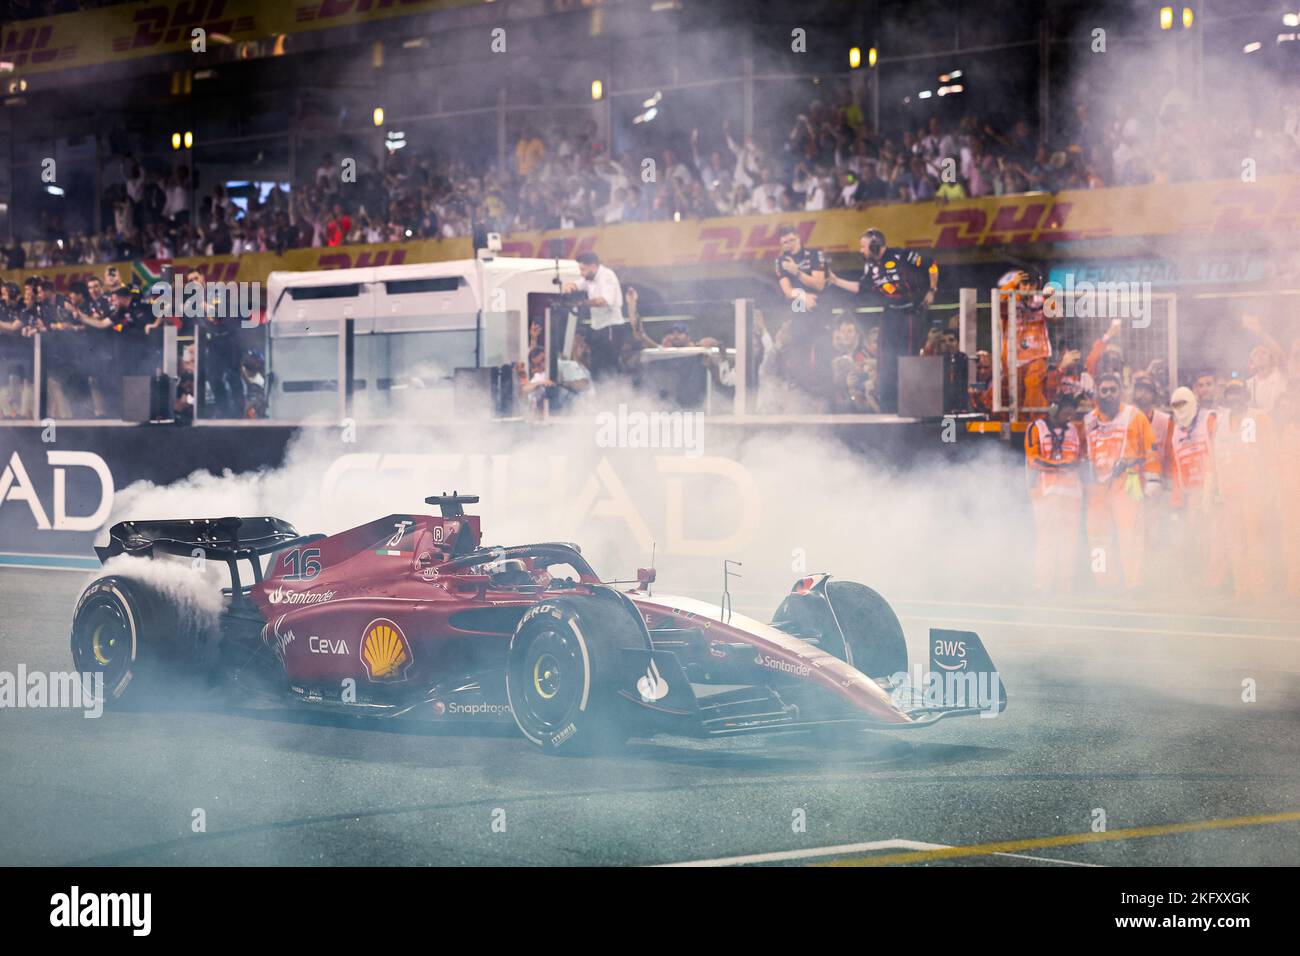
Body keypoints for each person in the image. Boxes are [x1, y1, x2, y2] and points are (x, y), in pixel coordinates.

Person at [827, 228, 938, 413]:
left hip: (911, 313)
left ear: (875, 244)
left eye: (863, 246)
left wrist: (932, 290)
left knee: (908, 358)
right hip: (890, 313)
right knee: (885, 359)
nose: (861, 250)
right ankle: (888, 407)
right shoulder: (871, 267)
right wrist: (836, 280)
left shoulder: (902, 255)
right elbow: (861, 287)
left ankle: (910, 406)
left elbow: (932, 264)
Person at [1083, 371, 1159, 590]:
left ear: (1121, 392)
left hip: (1127, 484)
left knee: (1131, 538)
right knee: (1097, 541)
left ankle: (1134, 584)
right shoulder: (1089, 420)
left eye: (1113, 390)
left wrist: (1153, 480)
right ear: (1097, 392)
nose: (1108, 394)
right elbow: (1082, 452)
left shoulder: (1134, 416)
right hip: (1097, 488)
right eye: (1103, 390)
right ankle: (1104, 583)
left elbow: (1150, 448)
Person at [1025, 391, 1084, 593]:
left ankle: (1066, 586)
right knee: (1047, 541)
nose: (1069, 418)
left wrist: (1069, 466)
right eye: (1065, 413)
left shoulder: (1074, 430)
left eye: (1071, 414)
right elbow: (1034, 460)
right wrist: (1063, 466)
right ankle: (1044, 586)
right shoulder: (1036, 428)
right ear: (1054, 409)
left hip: (1071, 495)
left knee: (1070, 543)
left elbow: (1079, 459)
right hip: (1045, 495)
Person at [1166, 386, 1221, 589]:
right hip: (1192, 493)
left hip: (1213, 489)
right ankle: (1201, 582)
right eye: (1175, 405)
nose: (1180, 408)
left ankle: (1215, 583)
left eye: (1183, 403)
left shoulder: (1209, 420)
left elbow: (1218, 452)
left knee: (1216, 539)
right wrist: (1177, 498)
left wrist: (1214, 488)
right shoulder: (1175, 431)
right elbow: (1175, 466)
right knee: (1198, 539)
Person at [772, 223, 831, 400]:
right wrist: (802, 296)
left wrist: (797, 272)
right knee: (798, 351)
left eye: (791, 240)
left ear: (799, 238)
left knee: (822, 349)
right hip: (799, 306)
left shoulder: (814, 255)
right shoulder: (780, 261)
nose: (789, 244)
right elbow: (787, 290)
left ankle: (825, 393)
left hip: (819, 305)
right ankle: (804, 394)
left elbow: (819, 283)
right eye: (785, 242)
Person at [562, 251, 626, 381]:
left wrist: (581, 303)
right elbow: (579, 283)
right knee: (596, 367)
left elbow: (605, 301)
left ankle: (618, 395)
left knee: (609, 366)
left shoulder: (607, 276)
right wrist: (570, 286)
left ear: (593, 266)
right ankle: (600, 396)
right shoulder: (590, 278)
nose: (581, 273)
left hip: (611, 328)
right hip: (598, 328)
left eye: (583, 269)